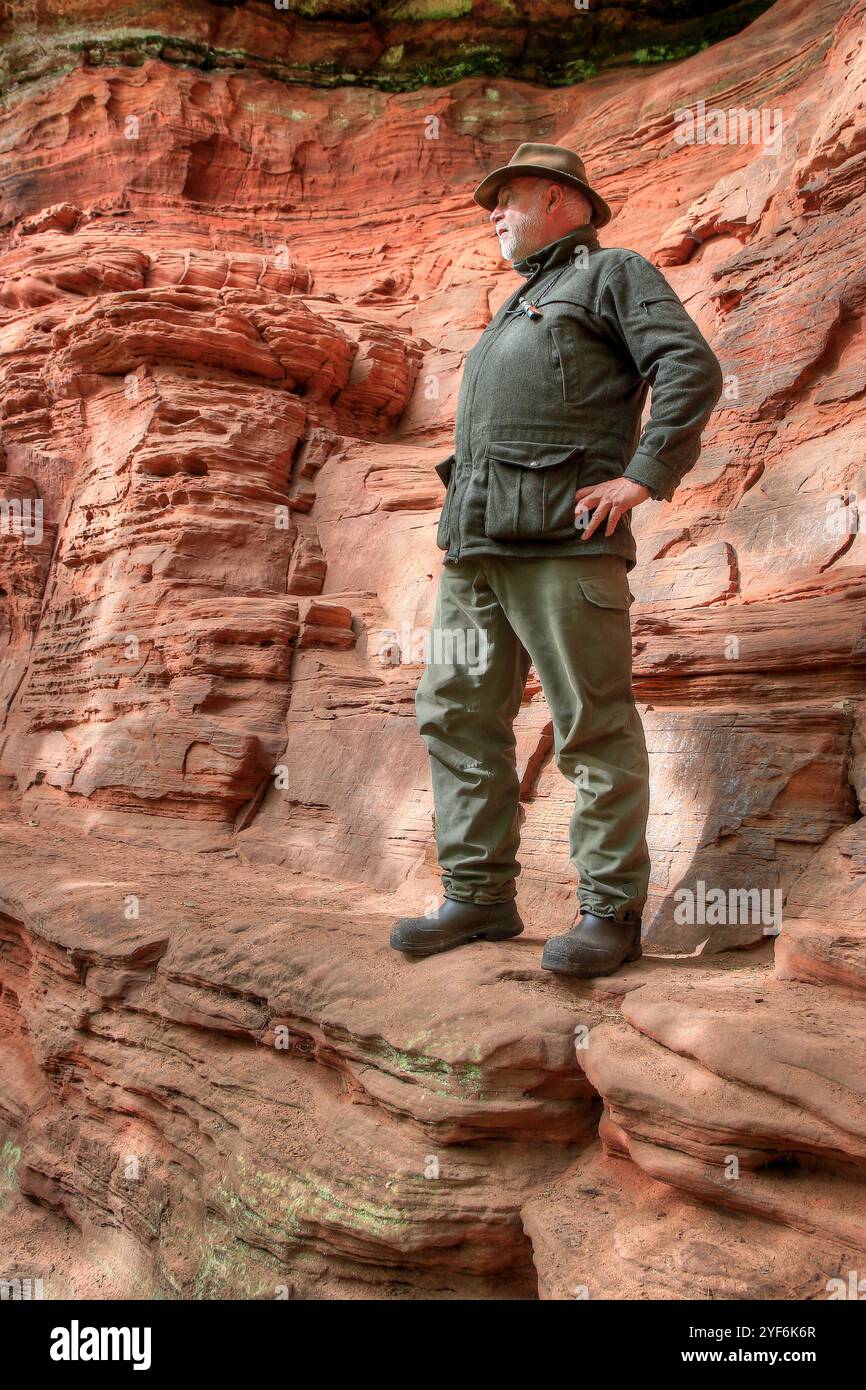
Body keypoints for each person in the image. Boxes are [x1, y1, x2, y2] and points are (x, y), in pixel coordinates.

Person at [391, 142, 724, 977]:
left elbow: (689, 366)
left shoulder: (613, 272)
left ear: (556, 198)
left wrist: (644, 476)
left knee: (593, 724)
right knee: (457, 716)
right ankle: (478, 898)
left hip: (566, 545)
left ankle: (609, 916)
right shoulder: (519, 303)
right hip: (474, 554)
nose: (492, 215)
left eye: (503, 198)